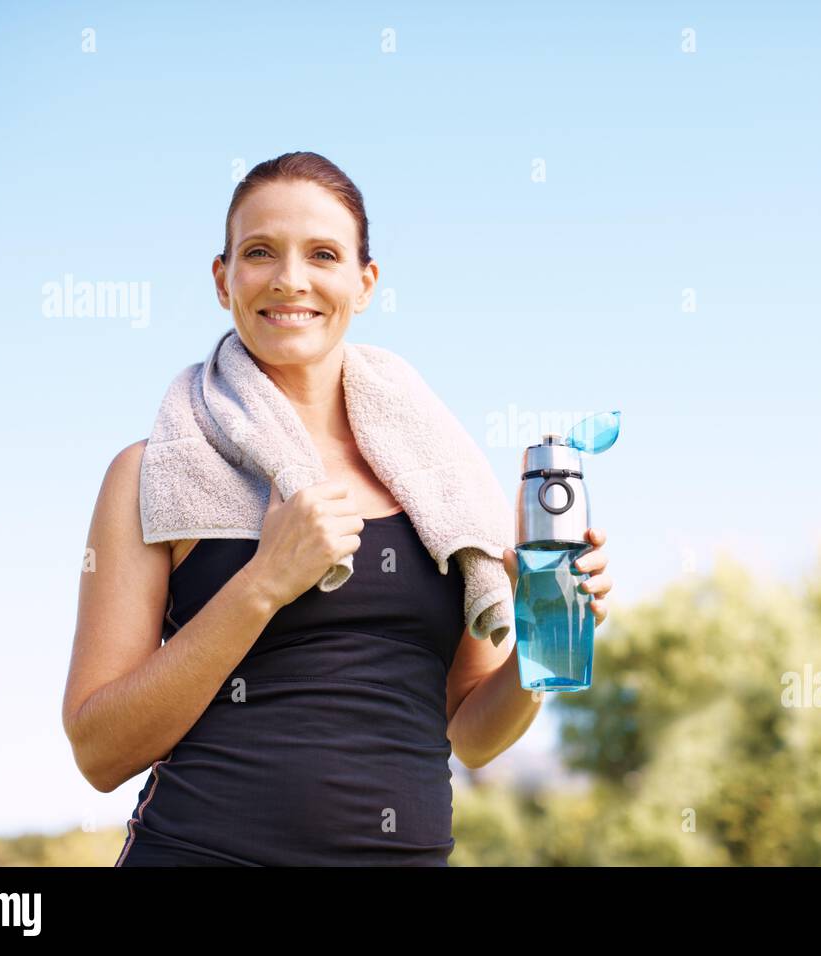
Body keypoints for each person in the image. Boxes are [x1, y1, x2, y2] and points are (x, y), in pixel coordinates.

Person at [61, 151, 612, 865]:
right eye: (260, 252)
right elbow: (99, 751)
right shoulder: (152, 473)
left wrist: (545, 635)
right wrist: (264, 583)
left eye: (322, 254)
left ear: (364, 282)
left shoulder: (441, 483)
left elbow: (471, 733)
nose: (291, 279)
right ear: (223, 279)